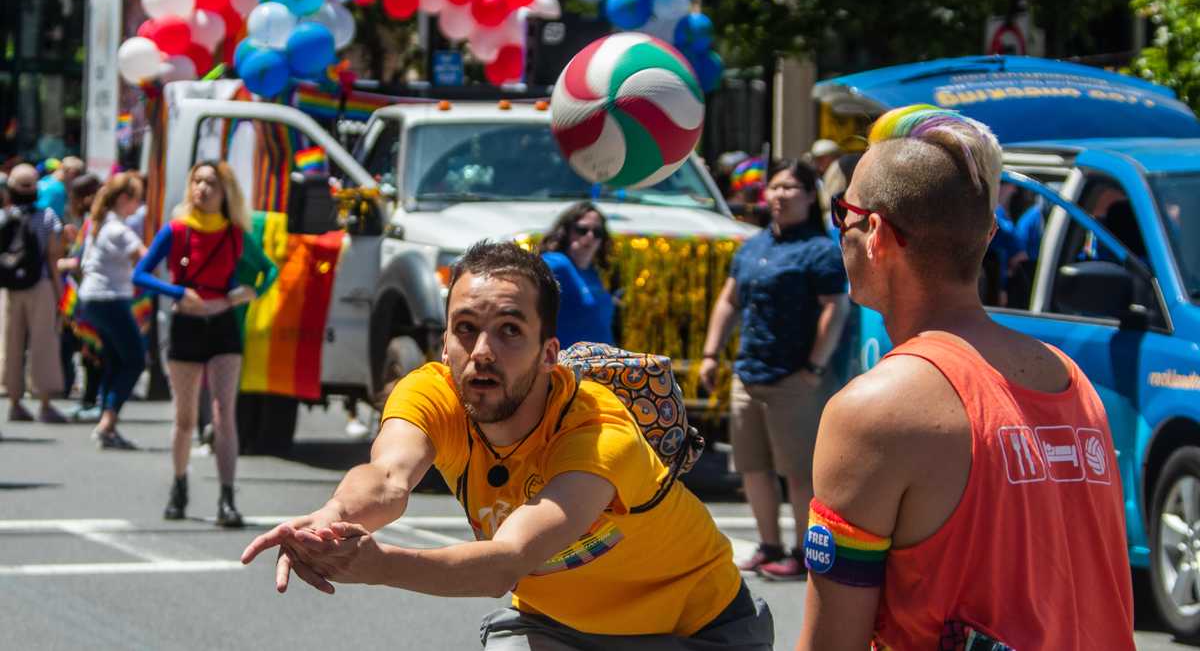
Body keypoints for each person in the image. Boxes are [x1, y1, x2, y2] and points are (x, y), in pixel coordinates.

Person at [241, 241, 773, 650]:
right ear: (444, 341)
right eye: (466, 328)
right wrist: (333, 516)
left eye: (509, 330)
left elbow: (505, 563)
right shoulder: (434, 392)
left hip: (698, 627)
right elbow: (386, 478)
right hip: (559, 627)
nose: (482, 352)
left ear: (549, 354)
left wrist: (379, 565)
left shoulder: (598, 430)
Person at [799, 105, 1135, 650]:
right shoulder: (1068, 379)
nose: (839, 230)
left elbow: (830, 642)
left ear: (876, 234)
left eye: (843, 213)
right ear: (987, 235)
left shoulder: (877, 411)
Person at [699, 159, 850, 580]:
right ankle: (769, 546)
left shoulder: (820, 250)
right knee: (752, 467)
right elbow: (730, 300)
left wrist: (814, 366)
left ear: (809, 196)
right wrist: (712, 353)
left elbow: (833, 308)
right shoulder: (754, 246)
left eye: (790, 188)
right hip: (749, 374)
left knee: (798, 473)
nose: (780, 196)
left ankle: (803, 552)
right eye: (775, 188)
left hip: (795, 378)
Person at [134, 160, 277, 527]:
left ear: (224, 192)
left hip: (224, 327)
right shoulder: (177, 230)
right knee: (184, 418)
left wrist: (248, 293)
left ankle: (227, 498)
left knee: (223, 414)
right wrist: (180, 291)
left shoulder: (235, 234)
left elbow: (269, 269)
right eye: (197, 181)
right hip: (186, 324)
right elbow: (141, 274)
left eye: (210, 183)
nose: (202, 188)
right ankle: (179, 486)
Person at [76, 173, 148, 450]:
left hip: (93, 299)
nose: (139, 205)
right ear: (123, 199)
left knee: (116, 360)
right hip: (110, 298)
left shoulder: (100, 224)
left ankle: (108, 423)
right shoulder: (119, 229)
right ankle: (107, 421)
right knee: (134, 361)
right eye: (136, 199)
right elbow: (145, 257)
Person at [2, 164, 67, 423]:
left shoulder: (3, 217)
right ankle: (45, 402)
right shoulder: (48, 216)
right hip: (39, 285)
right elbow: (54, 257)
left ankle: (14, 401)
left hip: (8, 288)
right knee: (43, 343)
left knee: (10, 343)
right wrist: (59, 292)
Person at [537, 202, 615, 349]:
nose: (590, 236)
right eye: (582, 230)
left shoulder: (593, 272)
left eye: (597, 232)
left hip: (601, 365)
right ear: (566, 231)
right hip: (566, 366)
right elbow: (524, 271)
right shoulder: (558, 263)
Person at [58, 173, 103, 409]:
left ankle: (90, 397)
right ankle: (89, 396)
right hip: (83, 296)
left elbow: (83, 262)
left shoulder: (95, 222)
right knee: (88, 347)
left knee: (90, 347)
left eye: (72, 198)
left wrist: (60, 263)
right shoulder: (91, 221)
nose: (70, 204)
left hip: (89, 296)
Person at [36, 156, 83, 220]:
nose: (77, 178)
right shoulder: (57, 189)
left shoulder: (43, 181)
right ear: (71, 172)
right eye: (77, 174)